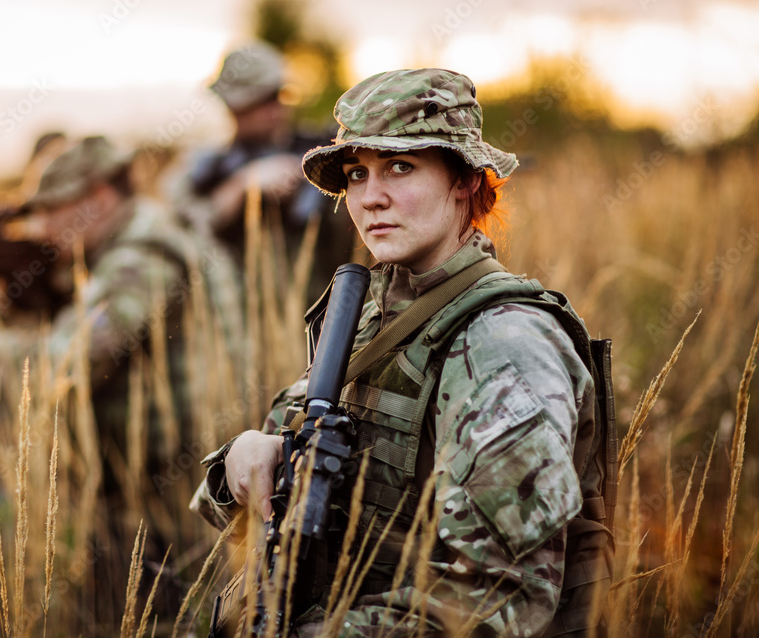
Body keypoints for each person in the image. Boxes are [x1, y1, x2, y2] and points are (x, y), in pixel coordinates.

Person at [190, 69, 613, 636]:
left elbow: (500, 598)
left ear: (464, 180)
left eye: (400, 167)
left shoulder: (503, 342)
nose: (371, 197)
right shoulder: (372, 314)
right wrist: (242, 458)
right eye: (357, 174)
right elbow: (246, 501)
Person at [0, 135, 243, 626]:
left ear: (99, 199)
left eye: (52, 210)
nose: (41, 227)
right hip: (160, 485)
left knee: (147, 618)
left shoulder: (141, 256)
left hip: (168, 495)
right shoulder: (140, 235)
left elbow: (56, 368)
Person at [171, 40, 353, 302]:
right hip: (241, 314)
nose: (274, 109)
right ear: (233, 107)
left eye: (278, 96)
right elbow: (184, 226)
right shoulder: (209, 165)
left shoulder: (317, 147)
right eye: (260, 101)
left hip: (321, 309)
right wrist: (243, 184)